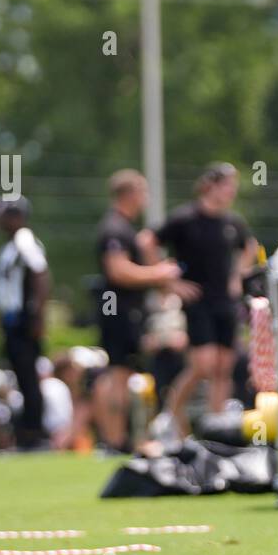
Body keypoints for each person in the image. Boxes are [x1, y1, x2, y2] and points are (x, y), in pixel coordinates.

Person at [150, 164, 258, 439]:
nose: (231, 191)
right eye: (226, 185)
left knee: (224, 367)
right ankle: (172, 416)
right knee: (202, 366)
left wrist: (237, 276)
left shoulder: (231, 222)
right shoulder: (185, 219)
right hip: (198, 300)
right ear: (210, 186)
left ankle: (216, 426)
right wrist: (168, 281)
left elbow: (250, 247)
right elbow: (148, 241)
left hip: (225, 302)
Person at [91, 170, 193, 452]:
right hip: (118, 310)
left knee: (118, 372)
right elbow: (118, 271)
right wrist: (159, 272)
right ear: (130, 193)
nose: (146, 199)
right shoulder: (115, 228)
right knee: (119, 375)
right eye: (144, 192)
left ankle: (113, 440)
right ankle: (114, 441)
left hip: (122, 310)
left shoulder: (121, 227)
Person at [0, 195, 51, 449]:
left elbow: (40, 273)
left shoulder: (24, 239)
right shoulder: (11, 245)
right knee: (20, 376)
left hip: (23, 320)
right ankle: (26, 432)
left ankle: (34, 434)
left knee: (28, 377)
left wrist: (37, 314)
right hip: (11, 320)